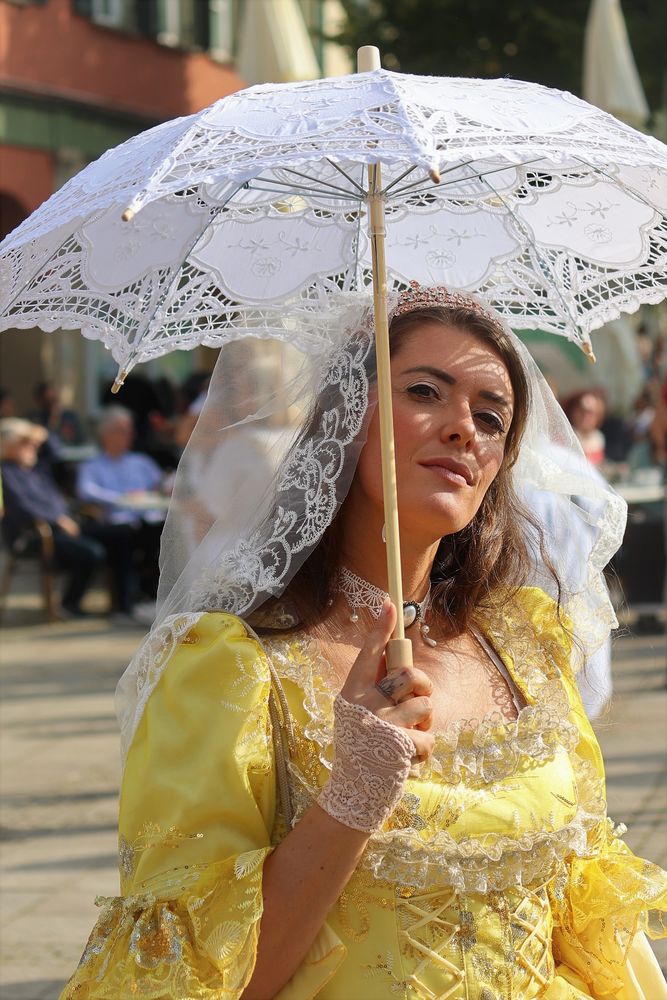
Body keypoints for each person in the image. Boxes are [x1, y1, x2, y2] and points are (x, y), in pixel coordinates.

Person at [61, 286, 666, 999]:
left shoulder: (526, 641)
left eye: (491, 417)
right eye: (424, 392)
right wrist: (351, 794)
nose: (463, 430)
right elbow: (196, 978)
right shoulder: (230, 665)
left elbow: (584, 919)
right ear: (347, 417)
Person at [0, 418, 104, 618]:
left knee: (120, 534)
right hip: (34, 535)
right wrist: (58, 519)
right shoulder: (7, 473)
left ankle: (126, 601)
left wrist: (44, 435)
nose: (32, 447)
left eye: (33, 444)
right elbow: (23, 508)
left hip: (66, 525)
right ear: (8, 446)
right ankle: (70, 604)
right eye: (25, 443)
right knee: (91, 552)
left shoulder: (36, 469)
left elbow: (56, 454)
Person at [76, 406, 166, 610]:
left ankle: (154, 595)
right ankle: (126, 602)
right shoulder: (92, 465)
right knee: (125, 537)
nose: (129, 435)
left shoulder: (141, 461)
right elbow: (86, 491)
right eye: (123, 430)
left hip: (148, 519)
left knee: (165, 534)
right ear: (106, 434)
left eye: (130, 430)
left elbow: (163, 485)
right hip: (116, 521)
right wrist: (121, 499)